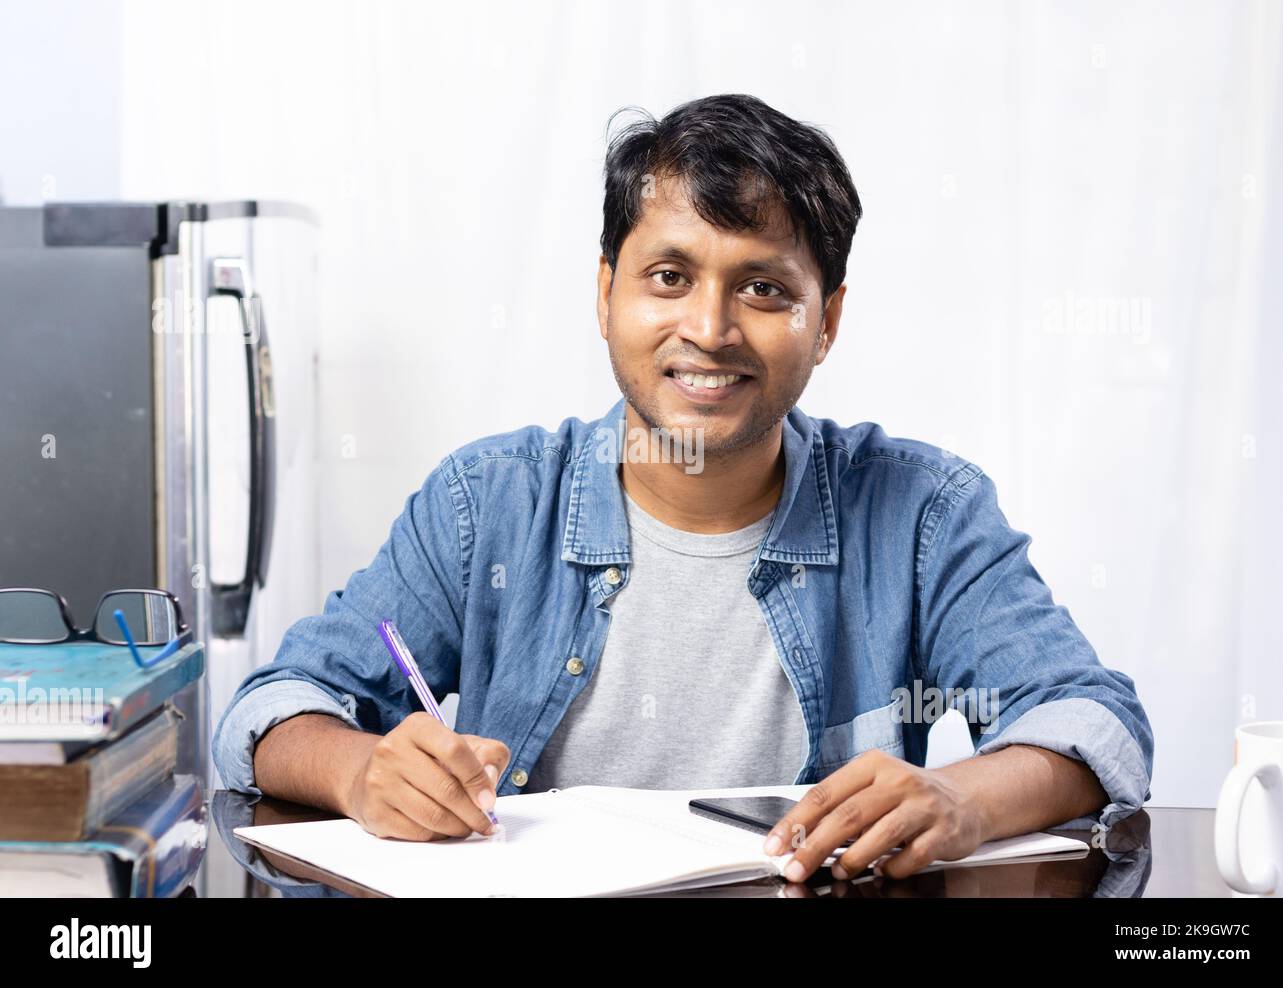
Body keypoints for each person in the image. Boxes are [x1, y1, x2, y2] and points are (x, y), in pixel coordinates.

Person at [214, 93, 1153, 883]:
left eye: (764, 290)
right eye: (669, 276)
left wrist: (963, 795)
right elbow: (274, 706)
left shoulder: (921, 513)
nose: (708, 328)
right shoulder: (485, 503)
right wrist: (360, 771)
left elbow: (1093, 719)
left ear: (825, 322)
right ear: (605, 292)